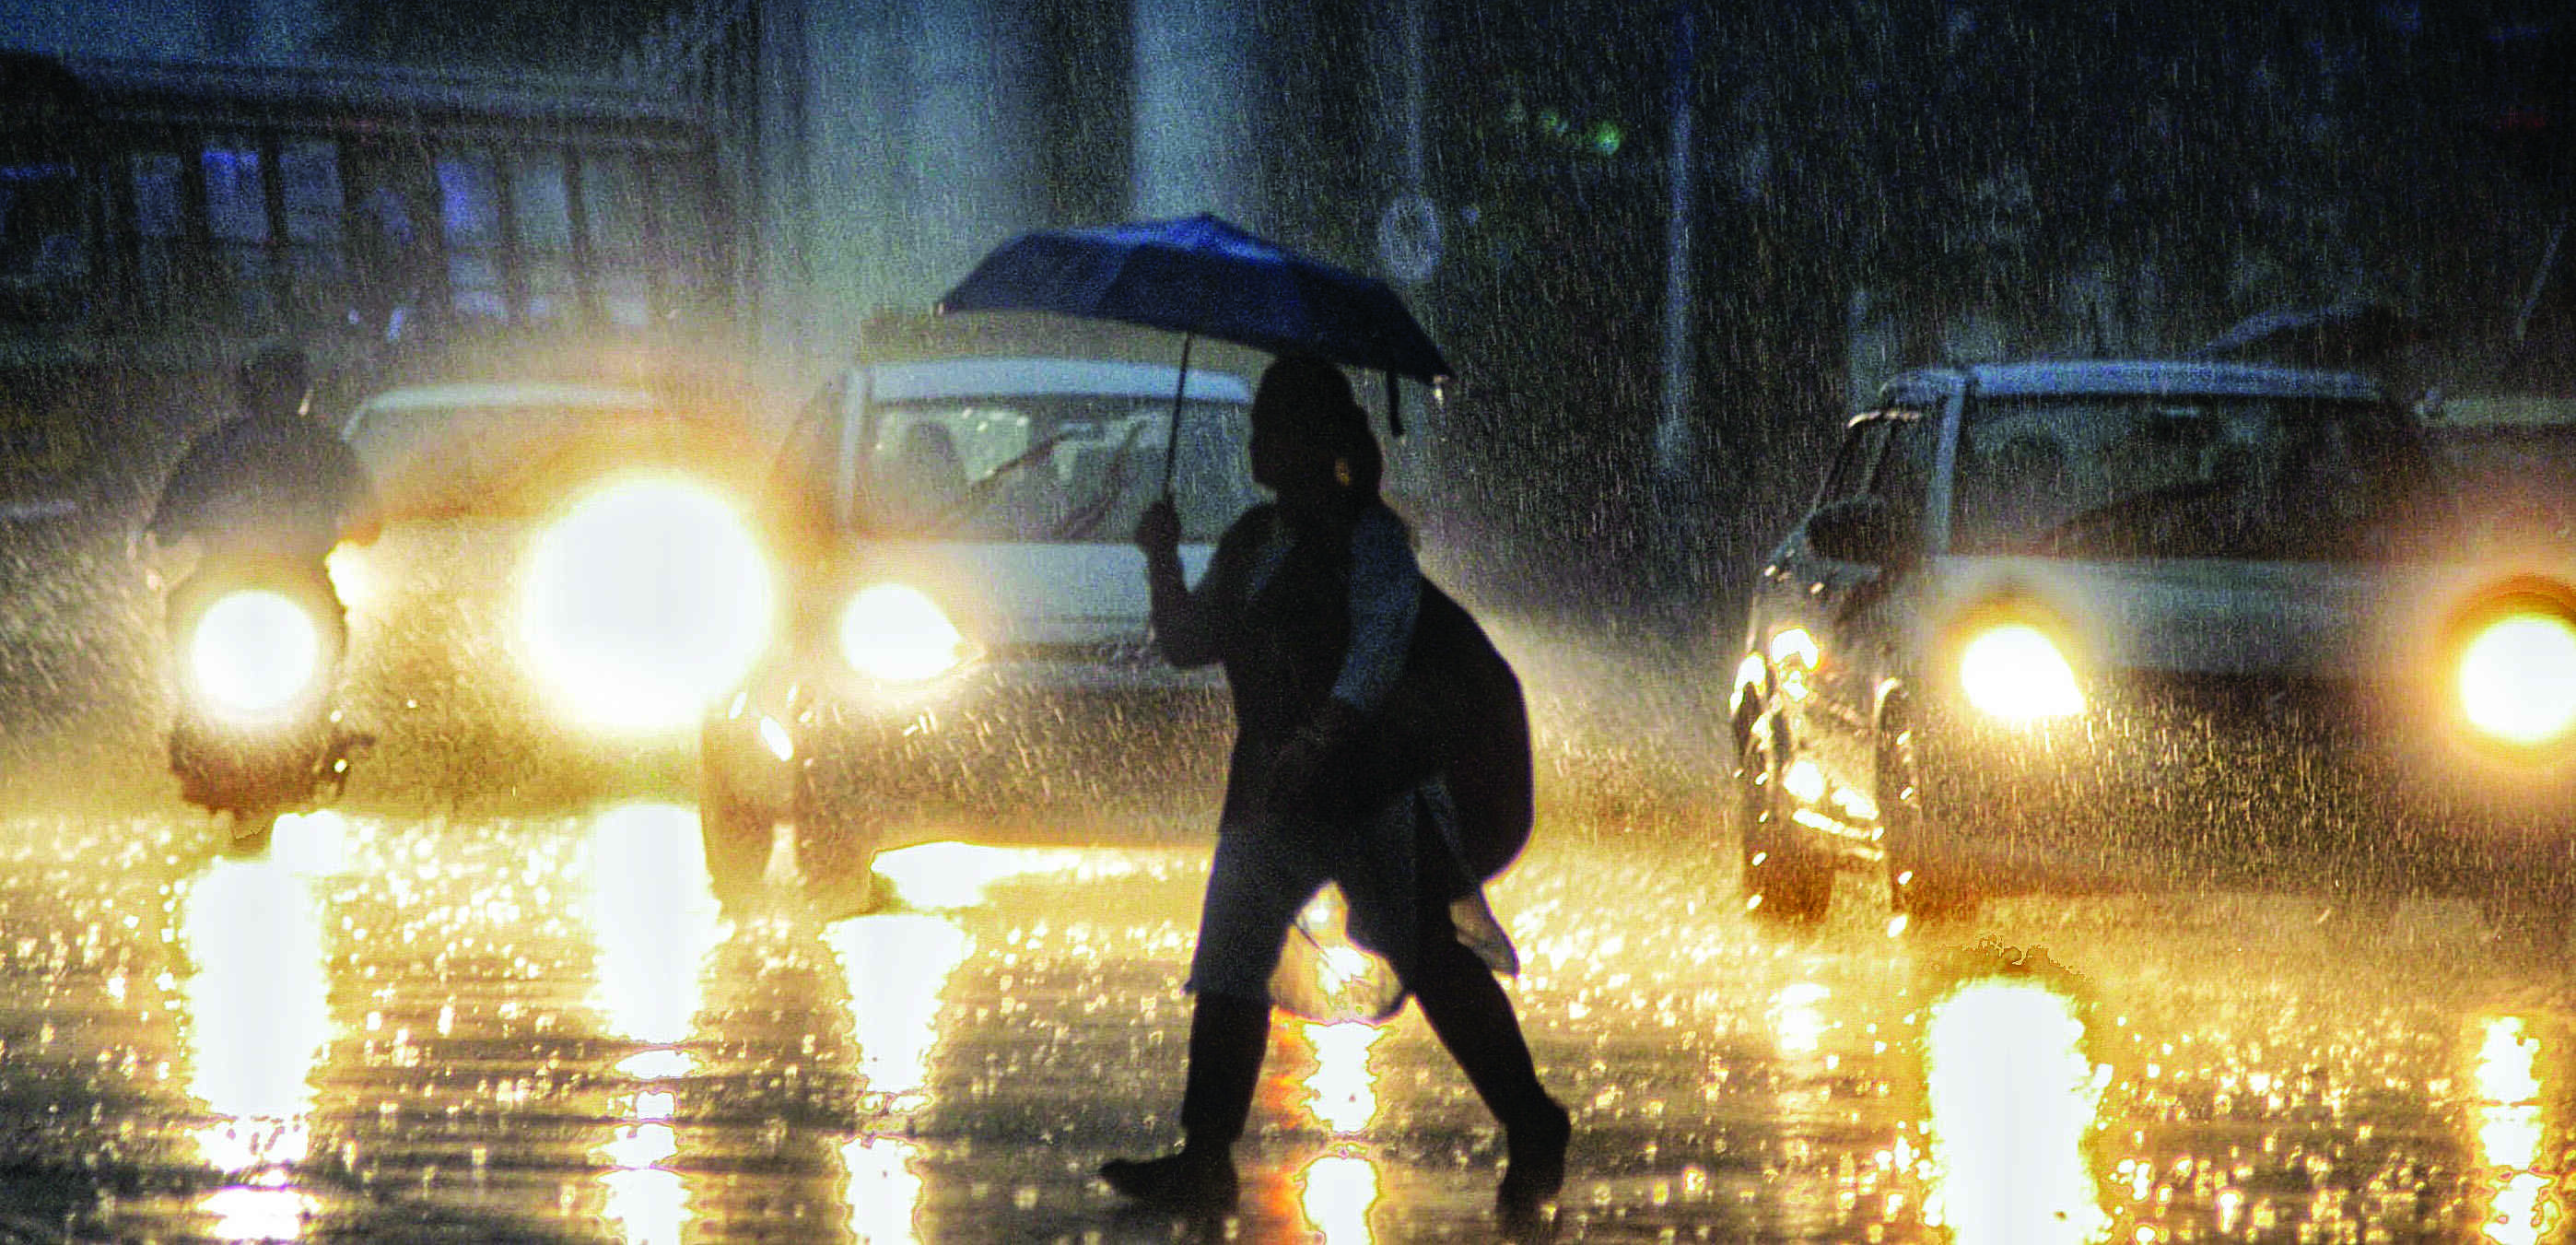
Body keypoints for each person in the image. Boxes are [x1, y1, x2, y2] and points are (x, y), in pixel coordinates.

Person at [1103, 354, 1570, 1222]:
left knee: (1426, 949)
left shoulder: (1373, 542)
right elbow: (1189, 639)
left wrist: (1321, 743)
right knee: (1232, 953)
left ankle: (1533, 1121)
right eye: (1257, 426)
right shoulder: (1254, 539)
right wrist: (1161, 559)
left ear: (1319, 441)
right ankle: (1206, 1153)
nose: (1257, 444)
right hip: (1282, 788)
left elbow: (1376, 659)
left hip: (1370, 782)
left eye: (1273, 427)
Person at [146, 341, 380, 569]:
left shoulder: (328, 449)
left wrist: (358, 525)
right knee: (181, 603)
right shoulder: (216, 447)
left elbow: (366, 517)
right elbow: (171, 509)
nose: (276, 393)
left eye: (284, 384)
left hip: (303, 577)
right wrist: (165, 528)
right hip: (222, 576)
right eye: (269, 385)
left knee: (333, 608)